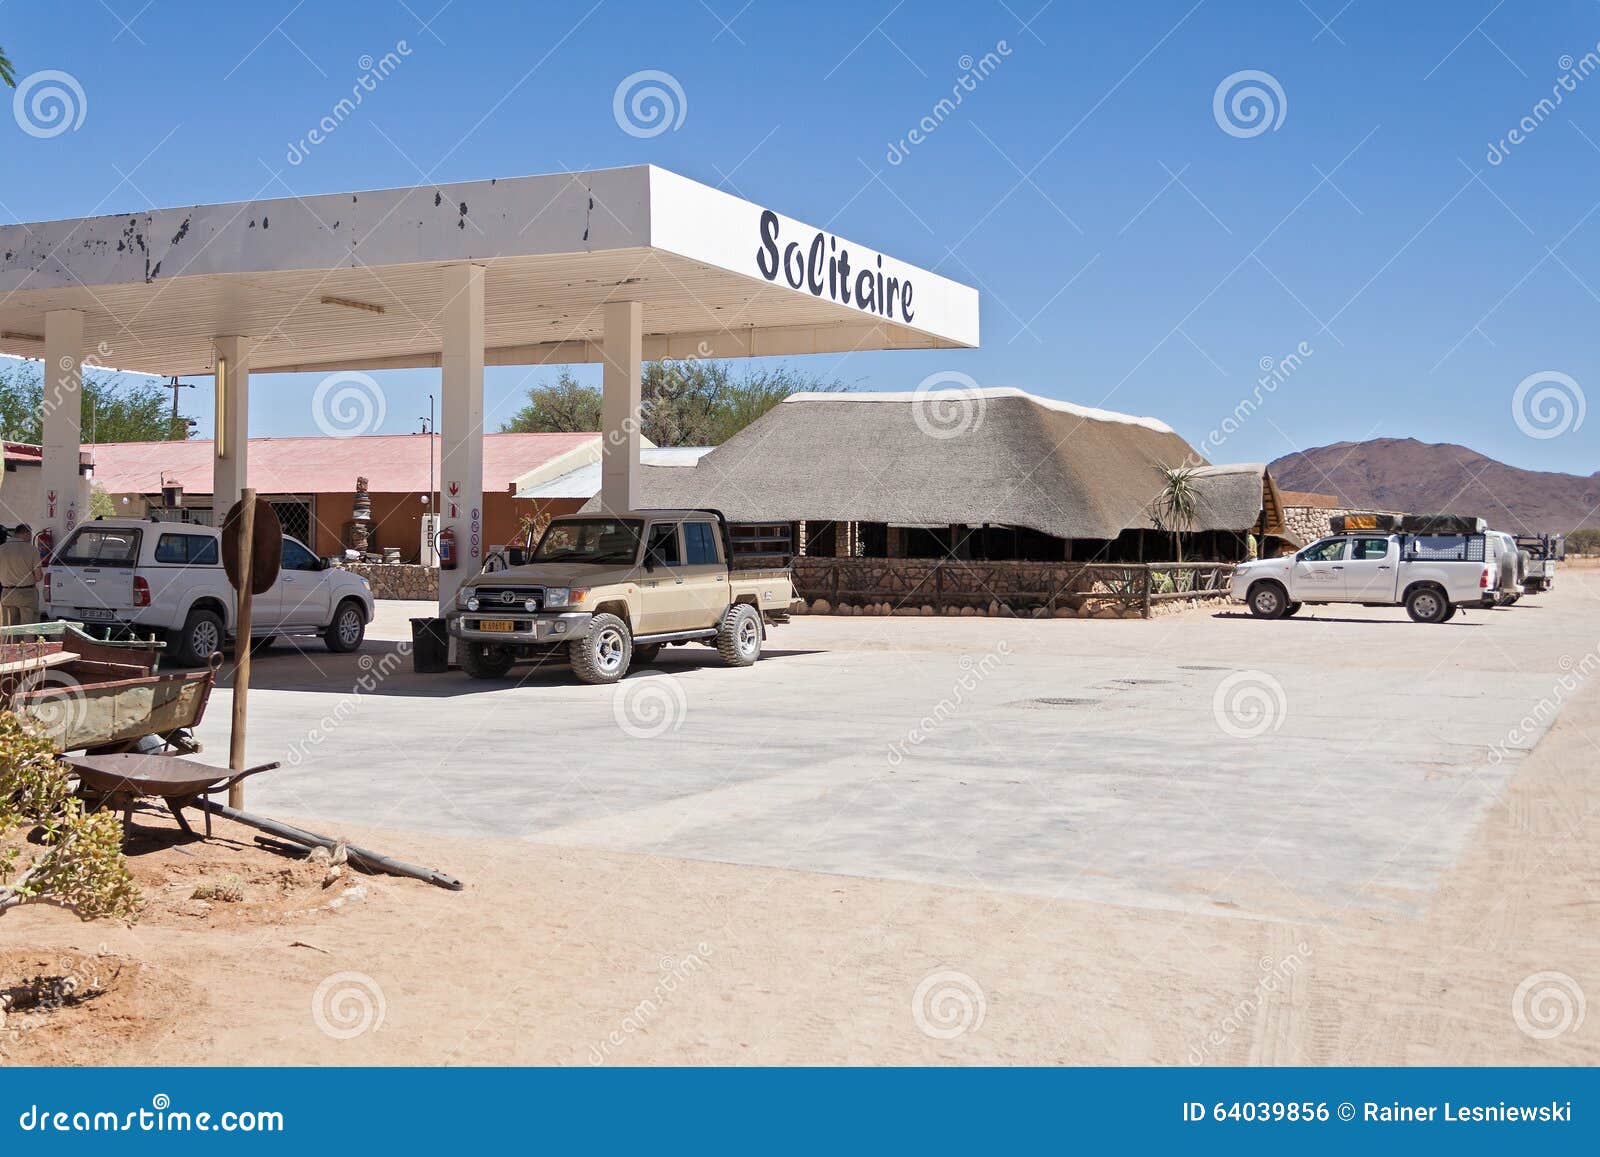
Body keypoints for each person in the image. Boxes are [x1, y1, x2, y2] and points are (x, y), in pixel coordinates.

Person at [0, 524, 43, 627]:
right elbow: (38, 576)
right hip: (27, 593)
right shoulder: (32, 549)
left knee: (9, 628)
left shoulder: (1, 548)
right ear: (26, 533)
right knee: (28, 627)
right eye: (30, 534)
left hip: (7, 592)